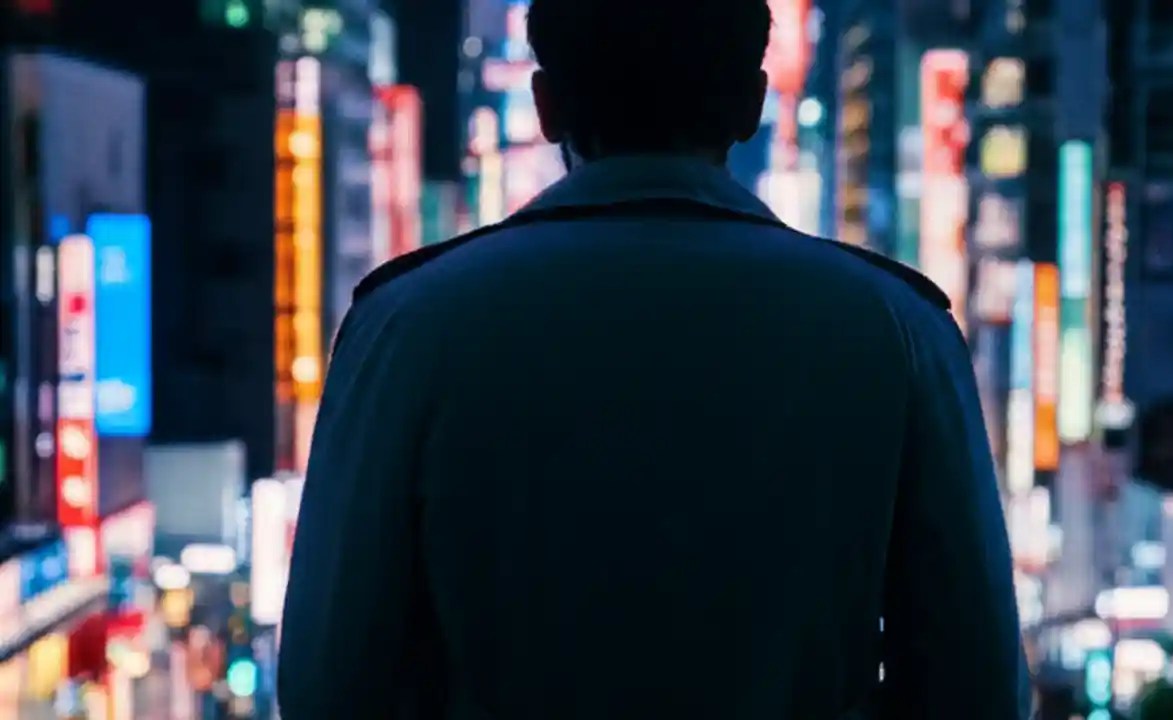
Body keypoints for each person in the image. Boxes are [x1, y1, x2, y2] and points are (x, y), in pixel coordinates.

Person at [277, 0, 1030, 717]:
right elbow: (979, 687)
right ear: (750, 102)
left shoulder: (406, 323)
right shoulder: (897, 328)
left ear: (546, 106)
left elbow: (328, 685)